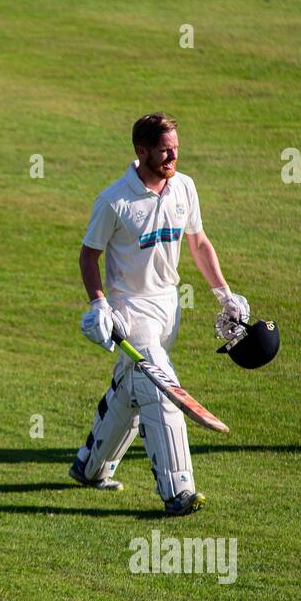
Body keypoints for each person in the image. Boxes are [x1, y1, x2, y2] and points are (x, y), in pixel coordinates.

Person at [70, 113, 251, 516]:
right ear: (142, 151)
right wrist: (99, 303)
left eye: (176, 148)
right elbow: (88, 255)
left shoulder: (184, 187)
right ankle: (178, 491)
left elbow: (199, 242)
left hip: (170, 306)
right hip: (131, 310)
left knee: (133, 387)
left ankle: (90, 466)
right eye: (164, 149)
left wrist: (224, 293)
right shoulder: (114, 200)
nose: (172, 155)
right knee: (163, 392)